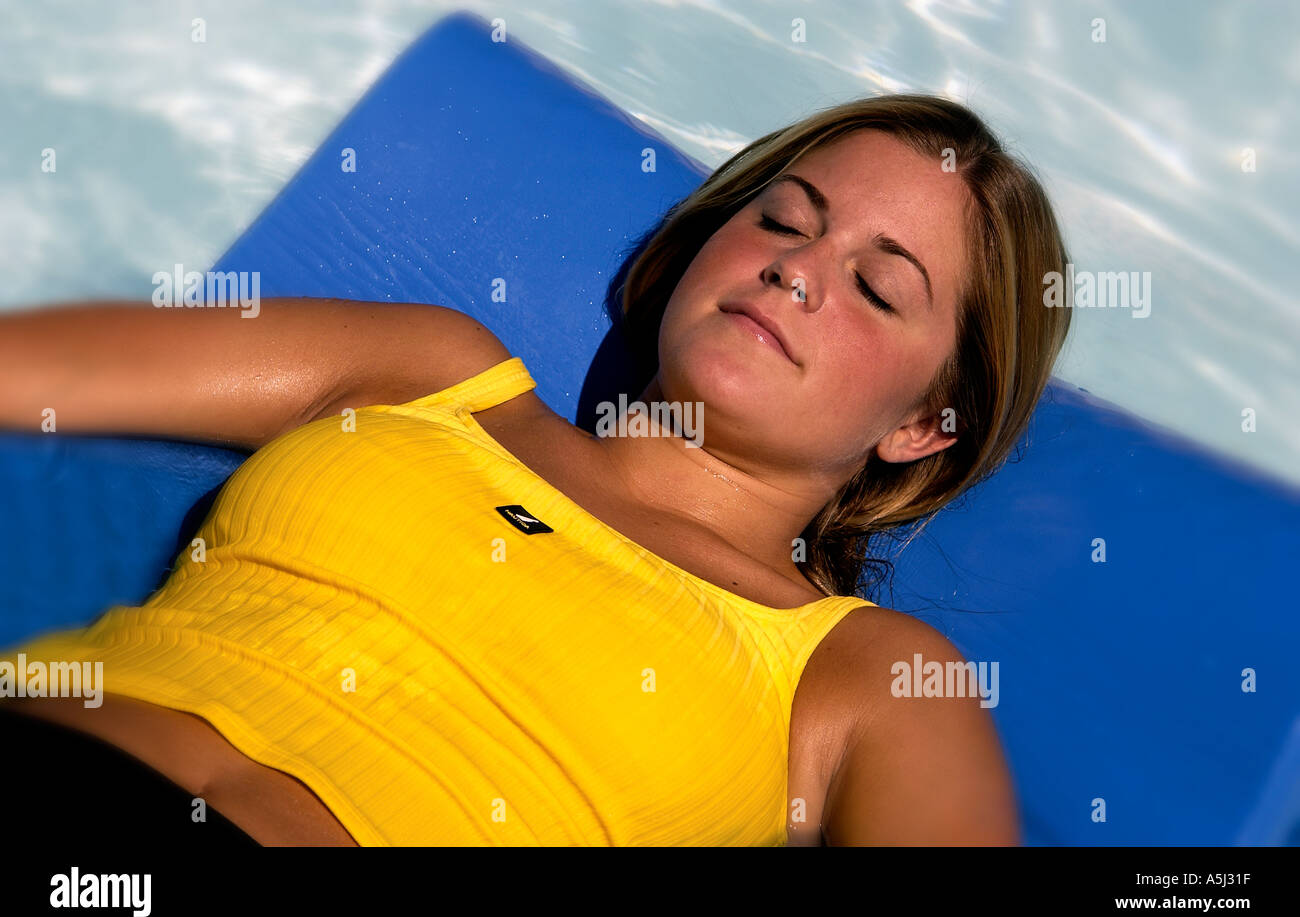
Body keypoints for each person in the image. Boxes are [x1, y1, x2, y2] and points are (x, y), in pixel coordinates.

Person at [0, 93, 1071, 846]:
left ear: (928, 426)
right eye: (782, 220)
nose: (795, 270)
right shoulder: (431, 372)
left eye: (878, 288)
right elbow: (39, 365)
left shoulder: (862, 675)